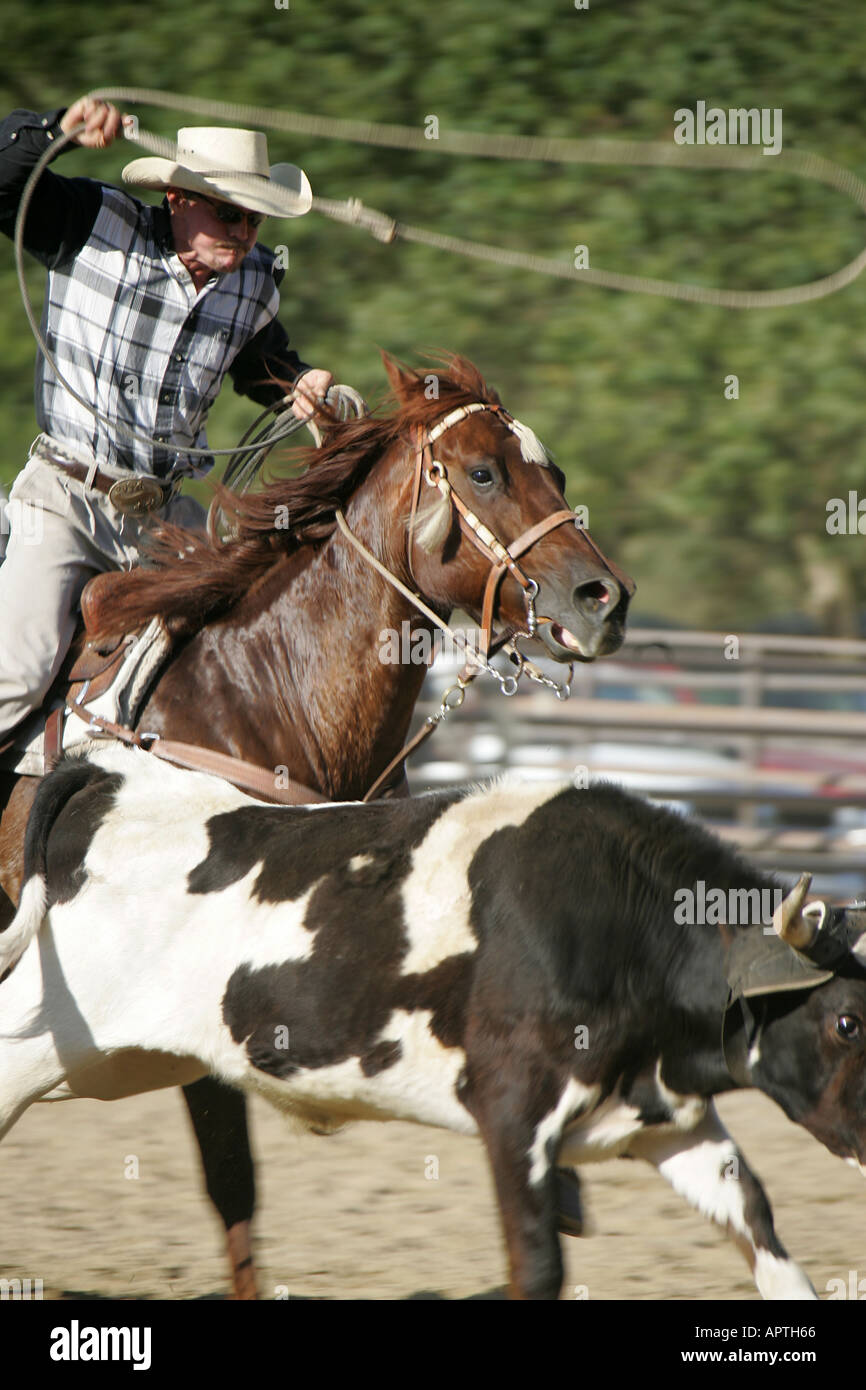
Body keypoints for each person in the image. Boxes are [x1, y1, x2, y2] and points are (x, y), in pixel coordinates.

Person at [0, 96, 333, 741]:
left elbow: (261, 362)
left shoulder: (255, 282)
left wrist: (301, 386)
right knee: (19, 675)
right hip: (66, 502)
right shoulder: (89, 220)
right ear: (178, 200)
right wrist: (55, 130)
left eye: (256, 220)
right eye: (229, 213)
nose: (244, 232)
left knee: (245, 663)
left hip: (166, 524)